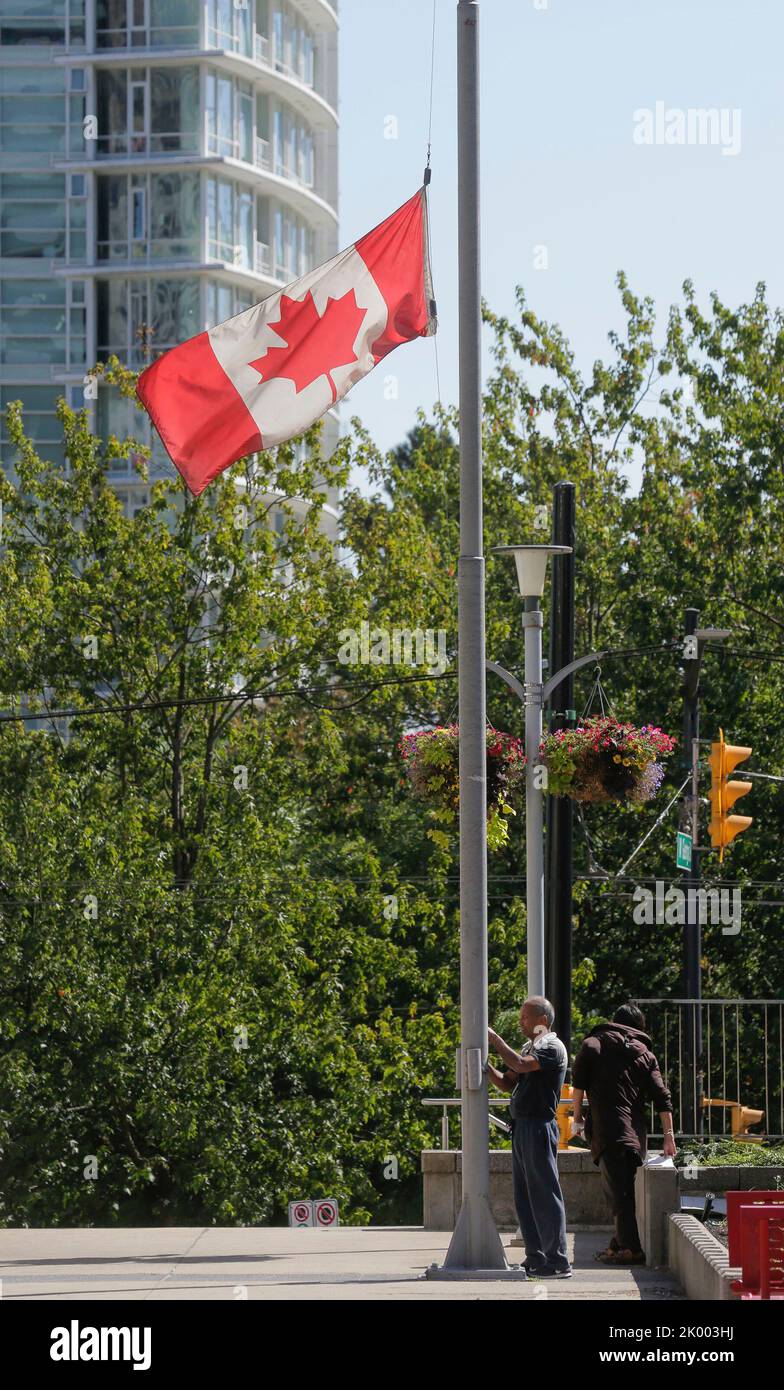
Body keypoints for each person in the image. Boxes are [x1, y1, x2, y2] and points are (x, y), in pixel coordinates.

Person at [571, 1002, 676, 1266]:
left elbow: (578, 1086)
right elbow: (662, 1098)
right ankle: (617, 1245)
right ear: (638, 1028)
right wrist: (669, 1135)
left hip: (607, 1132)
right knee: (620, 1190)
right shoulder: (646, 1055)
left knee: (620, 1194)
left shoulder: (593, 1045)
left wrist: (577, 1117)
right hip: (634, 1136)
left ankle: (631, 1250)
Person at [488, 996, 571, 1278]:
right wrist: (484, 1067)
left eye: (525, 1017)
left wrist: (494, 1039)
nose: (520, 1022)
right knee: (524, 1196)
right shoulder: (530, 1046)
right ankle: (536, 1257)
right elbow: (507, 1081)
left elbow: (522, 1065)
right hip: (522, 1126)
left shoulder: (551, 1047)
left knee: (545, 1194)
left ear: (542, 1021)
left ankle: (557, 1261)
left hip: (539, 1125)